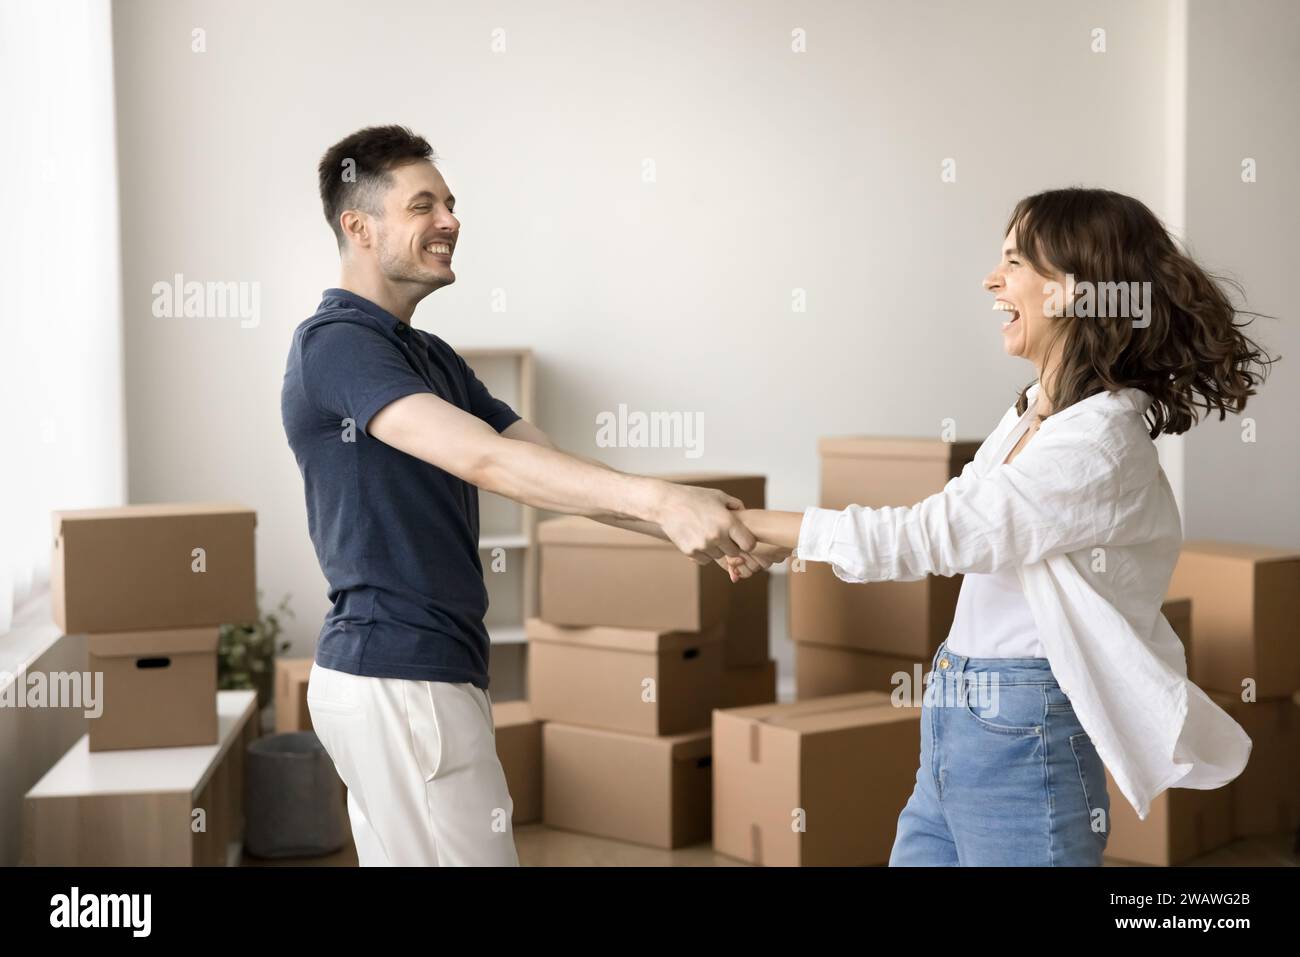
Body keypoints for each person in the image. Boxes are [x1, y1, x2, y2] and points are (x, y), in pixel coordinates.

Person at [727, 187, 1275, 866]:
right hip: (961, 705)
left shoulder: (1098, 443)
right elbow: (969, 526)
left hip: (1023, 727)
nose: (993, 278)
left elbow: (939, 532)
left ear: (1076, 291)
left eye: (1015, 260)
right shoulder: (1037, 415)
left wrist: (765, 525)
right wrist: (780, 542)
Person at [281, 125, 760, 866]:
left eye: (450, 203)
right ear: (359, 226)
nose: (450, 220)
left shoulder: (429, 355)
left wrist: (686, 523)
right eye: (423, 205)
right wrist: (663, 503)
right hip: (400, 675)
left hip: (417, 676)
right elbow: (486, 460)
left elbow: (540, 464)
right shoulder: (337, 343)